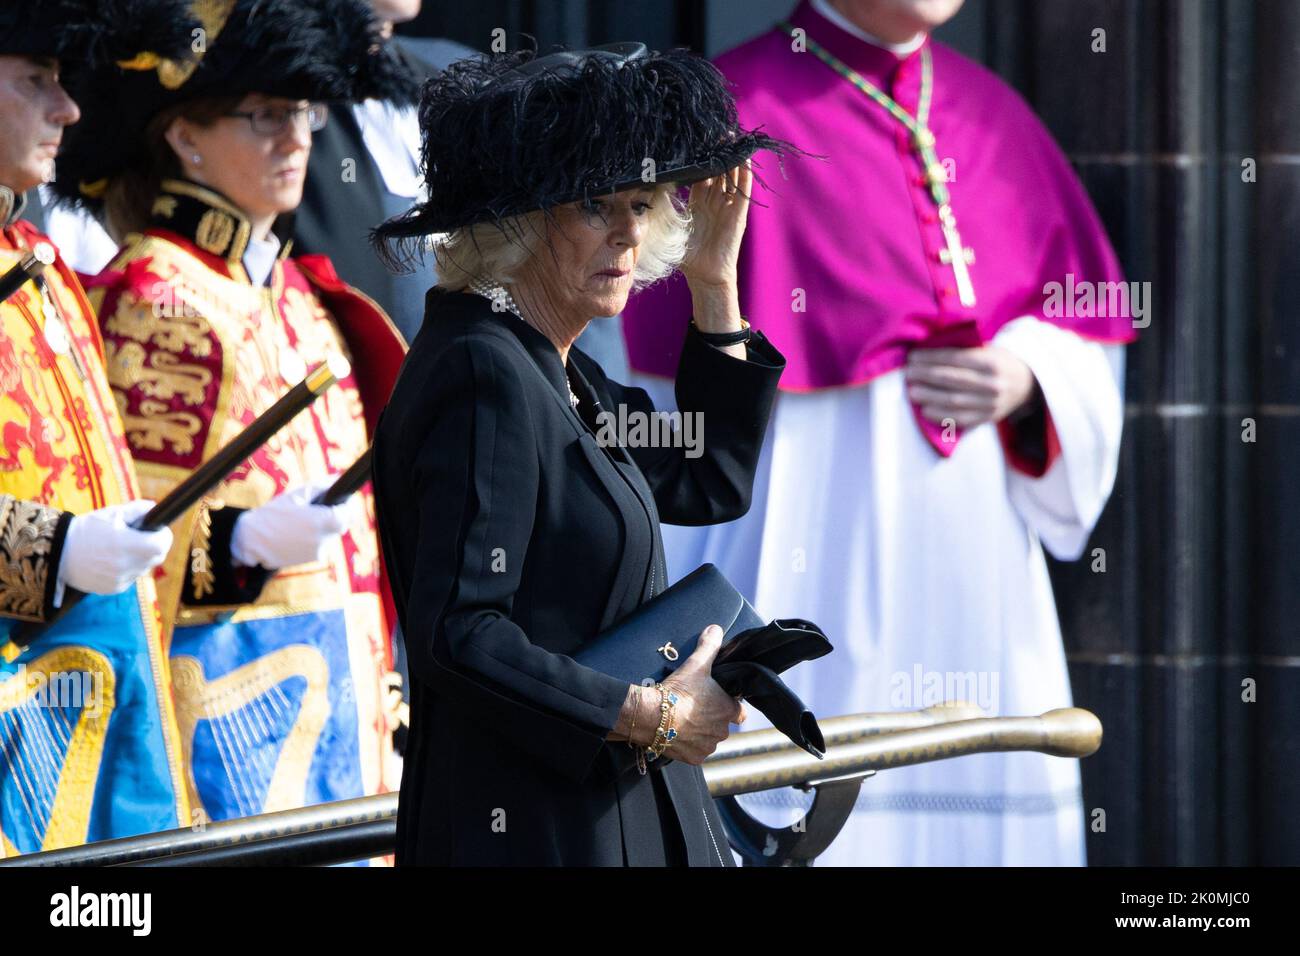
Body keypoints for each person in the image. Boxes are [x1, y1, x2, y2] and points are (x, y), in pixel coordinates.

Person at [622, 0, 1137, 866]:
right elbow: (648, 381)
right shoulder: (729, 108)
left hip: (980, 565)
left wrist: (1030, 378)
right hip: (811, 534)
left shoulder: (993, 114)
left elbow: (1086, 333)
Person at [370, 44, 792, 866]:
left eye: (643, 204)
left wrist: (716, 284)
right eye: (596, 206)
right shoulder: (481, 369)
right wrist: (656, 717)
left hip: (603, 814)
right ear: (517, 225)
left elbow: (708, 476)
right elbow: (462, 633)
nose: (630, 234)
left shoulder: (559, 366)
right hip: (533, 831)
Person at [50, 0, 414, 829]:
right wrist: (241, 543)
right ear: (183, 137)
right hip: (223, 724)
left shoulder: (292, 287)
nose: (297, 138)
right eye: (265, 117)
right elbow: (130, 556)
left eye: (303, 113)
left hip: (347, 710)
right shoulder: (155, 298)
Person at [0, 1, 200, 855]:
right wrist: (49, 554)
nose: (68, 109)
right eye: (37, 81)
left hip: (110, 710)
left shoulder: (41, 268)